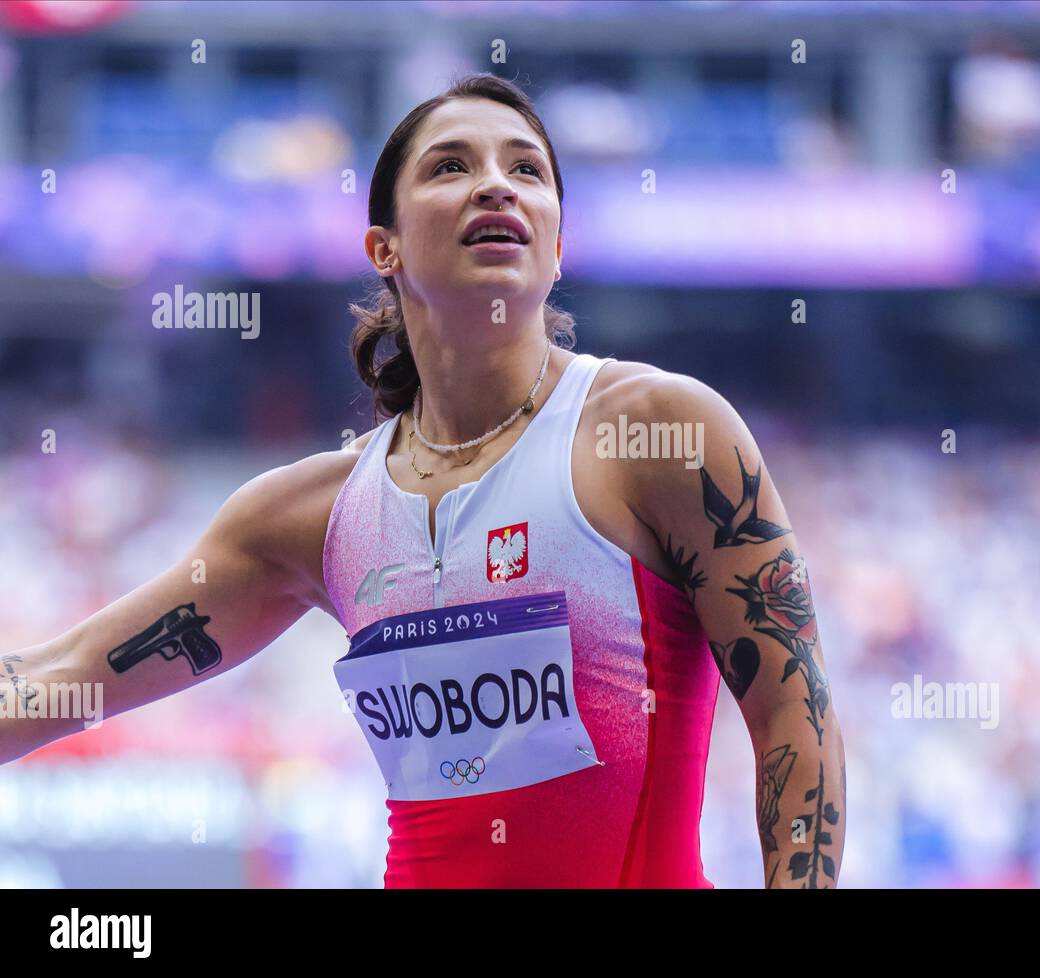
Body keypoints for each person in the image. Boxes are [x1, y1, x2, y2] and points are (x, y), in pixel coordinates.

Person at [0, 73, 845, 889]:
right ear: (385, 247)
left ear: (558, 244)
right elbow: (64, 671)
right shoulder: (310, 517)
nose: (495, 187)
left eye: (527, 170)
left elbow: (792, 724)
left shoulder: (661, 433)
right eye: (452, 166)